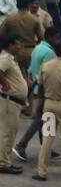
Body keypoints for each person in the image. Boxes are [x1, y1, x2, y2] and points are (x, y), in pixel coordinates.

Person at [32, 36, 61, 181]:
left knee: (47, 138)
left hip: (49, 104)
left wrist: (43, 102)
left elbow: (41, 87)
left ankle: (41, 171)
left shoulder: (46, 67)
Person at [11, 21, 50, 162]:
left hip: (37, 88)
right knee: (42, 119)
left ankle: (47, 146)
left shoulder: (38, 48)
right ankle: (22, 145)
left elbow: (30, 70)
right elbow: (48, 74)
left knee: (43, 119)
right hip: (44, 91)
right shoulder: (50, 52)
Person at [0, 0, 43, 83]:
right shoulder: (34, 19)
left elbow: (1, 34)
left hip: (14, 51)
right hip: (31, 51)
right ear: (28, 5)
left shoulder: (10, 19)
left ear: (17, 4)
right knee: (31, 78)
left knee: (16, 78)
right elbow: (41, 37)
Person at [0, 34, 26, 174]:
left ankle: (6, 161)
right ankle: (4, 163)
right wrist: (4, 84)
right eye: (17, 44)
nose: (19, 46)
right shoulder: (5, 58)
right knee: (7, 133)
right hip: (9, 101)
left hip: (14, 102)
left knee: (10, 133)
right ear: (9, 45)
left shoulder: (10, 59)